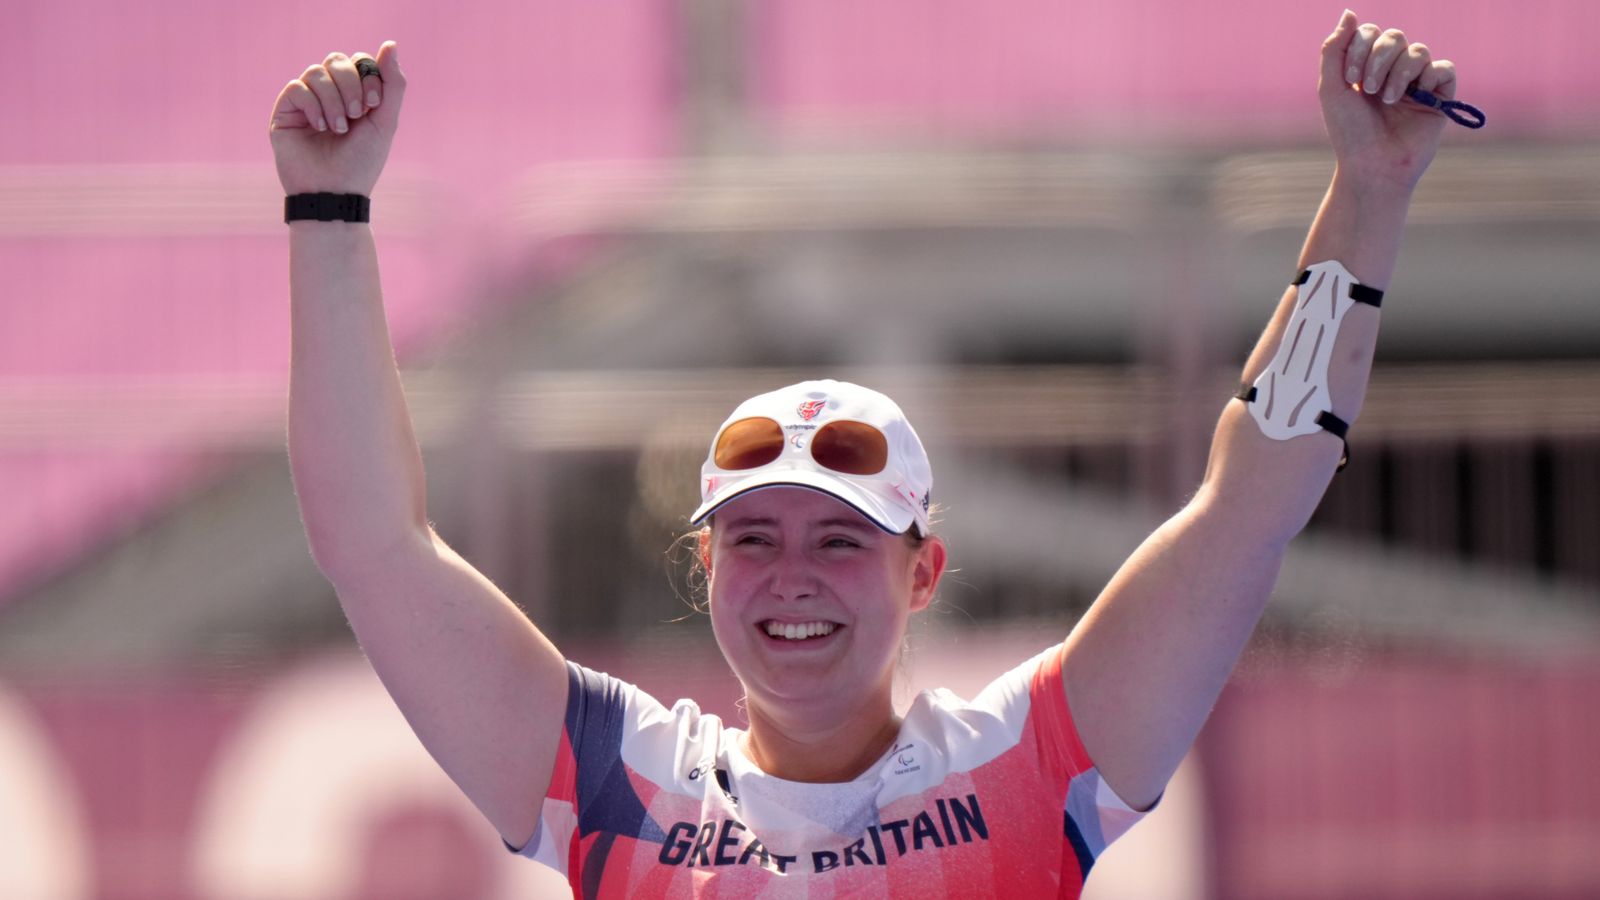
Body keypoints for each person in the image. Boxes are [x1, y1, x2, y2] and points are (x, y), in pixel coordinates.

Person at [270, 9, 1458, 897]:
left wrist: (1372, 188)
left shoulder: (1030, 761)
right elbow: (372, 546)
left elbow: (1248, 502)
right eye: (753, 539)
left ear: (922, 574)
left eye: (841, 539)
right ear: (707, 570)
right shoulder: (621, 780)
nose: (791, 575)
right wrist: (328, 215)